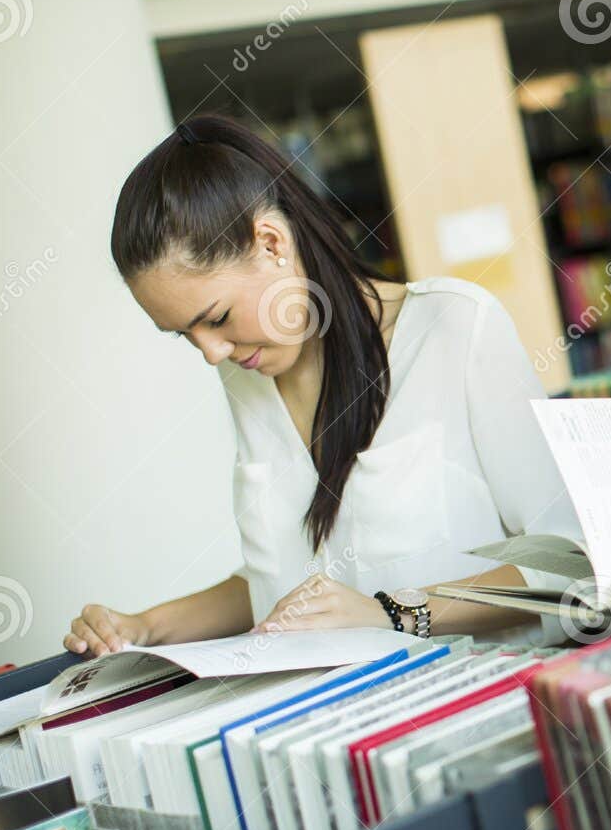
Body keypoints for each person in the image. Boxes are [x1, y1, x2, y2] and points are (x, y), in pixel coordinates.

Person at [64, 114, 569, 656]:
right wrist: (145, 627)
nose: (211, 353)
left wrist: (390, 612)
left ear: (272, 242)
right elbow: (287, 581)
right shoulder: (251, 372)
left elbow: (570, 566)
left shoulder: (455, 327)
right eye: (183, 334)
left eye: (216, 317)